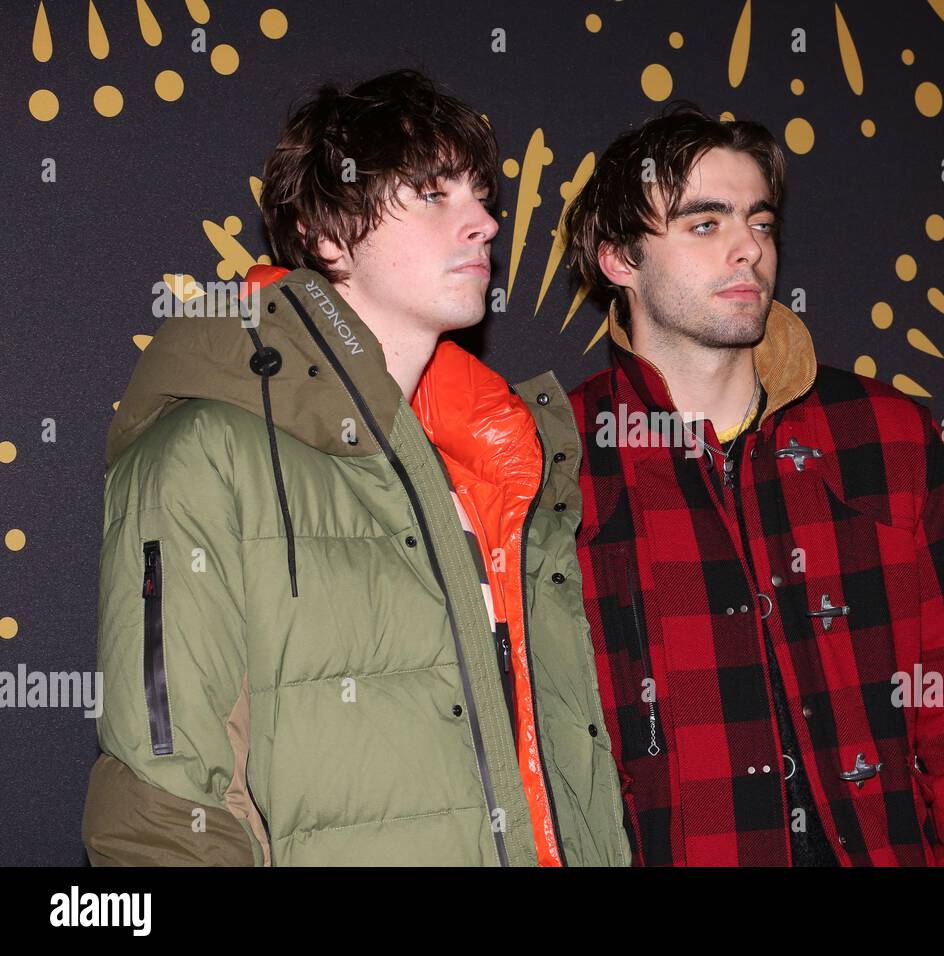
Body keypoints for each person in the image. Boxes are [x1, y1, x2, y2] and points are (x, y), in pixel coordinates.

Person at [82, 70, 629, 867]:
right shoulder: (203, 454)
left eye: (482, 197)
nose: (482, 222)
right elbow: (161, 813)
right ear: (325, 233)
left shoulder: (501, 468)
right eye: (433, 193)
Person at [562, 102, 944, 866]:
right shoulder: (558, 461)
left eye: (760, 221)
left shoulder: (883, 434)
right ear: (620, 259)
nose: (748, 248)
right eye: (705, 224)